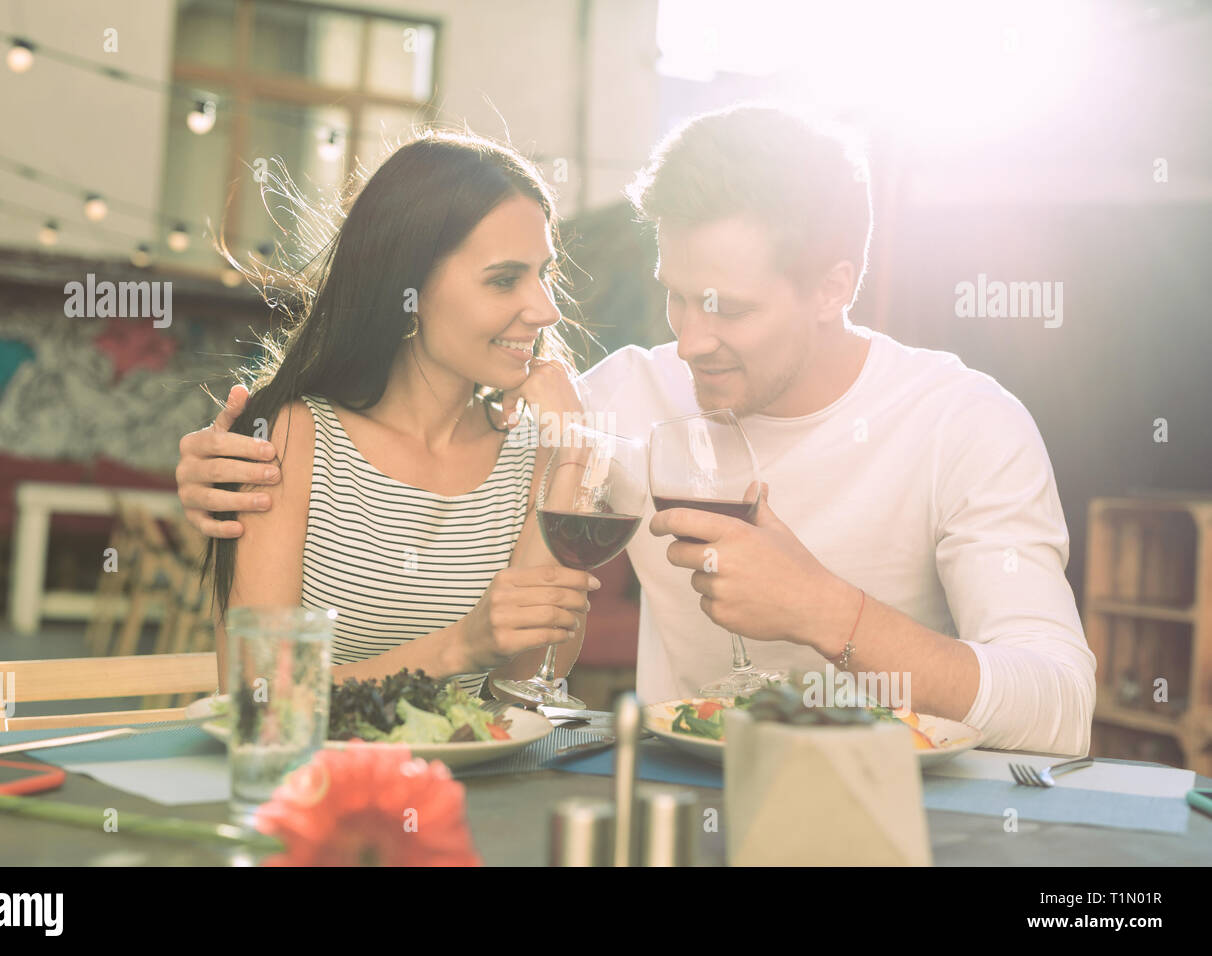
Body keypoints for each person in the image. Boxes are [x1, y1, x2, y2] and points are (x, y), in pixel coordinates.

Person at [179, 106, 1095, 754]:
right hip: (682, 813)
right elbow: (457, 416)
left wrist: (824, 610)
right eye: (674, 294)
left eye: (725, 307)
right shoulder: (619, 403)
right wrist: (218, 465)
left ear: (830, 288)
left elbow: (1058, 710)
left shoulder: (963, 424)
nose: (689, 341)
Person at [198, 130, 601, 695]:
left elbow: (524, 693)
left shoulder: (536, 454)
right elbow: (258, 694)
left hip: (469, 782)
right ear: (406, 288)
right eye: (505, 280)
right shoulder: (293, 439)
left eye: (546, 274)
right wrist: (459, 646)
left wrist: (573, 454)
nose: (546, 309)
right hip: (314, 780)